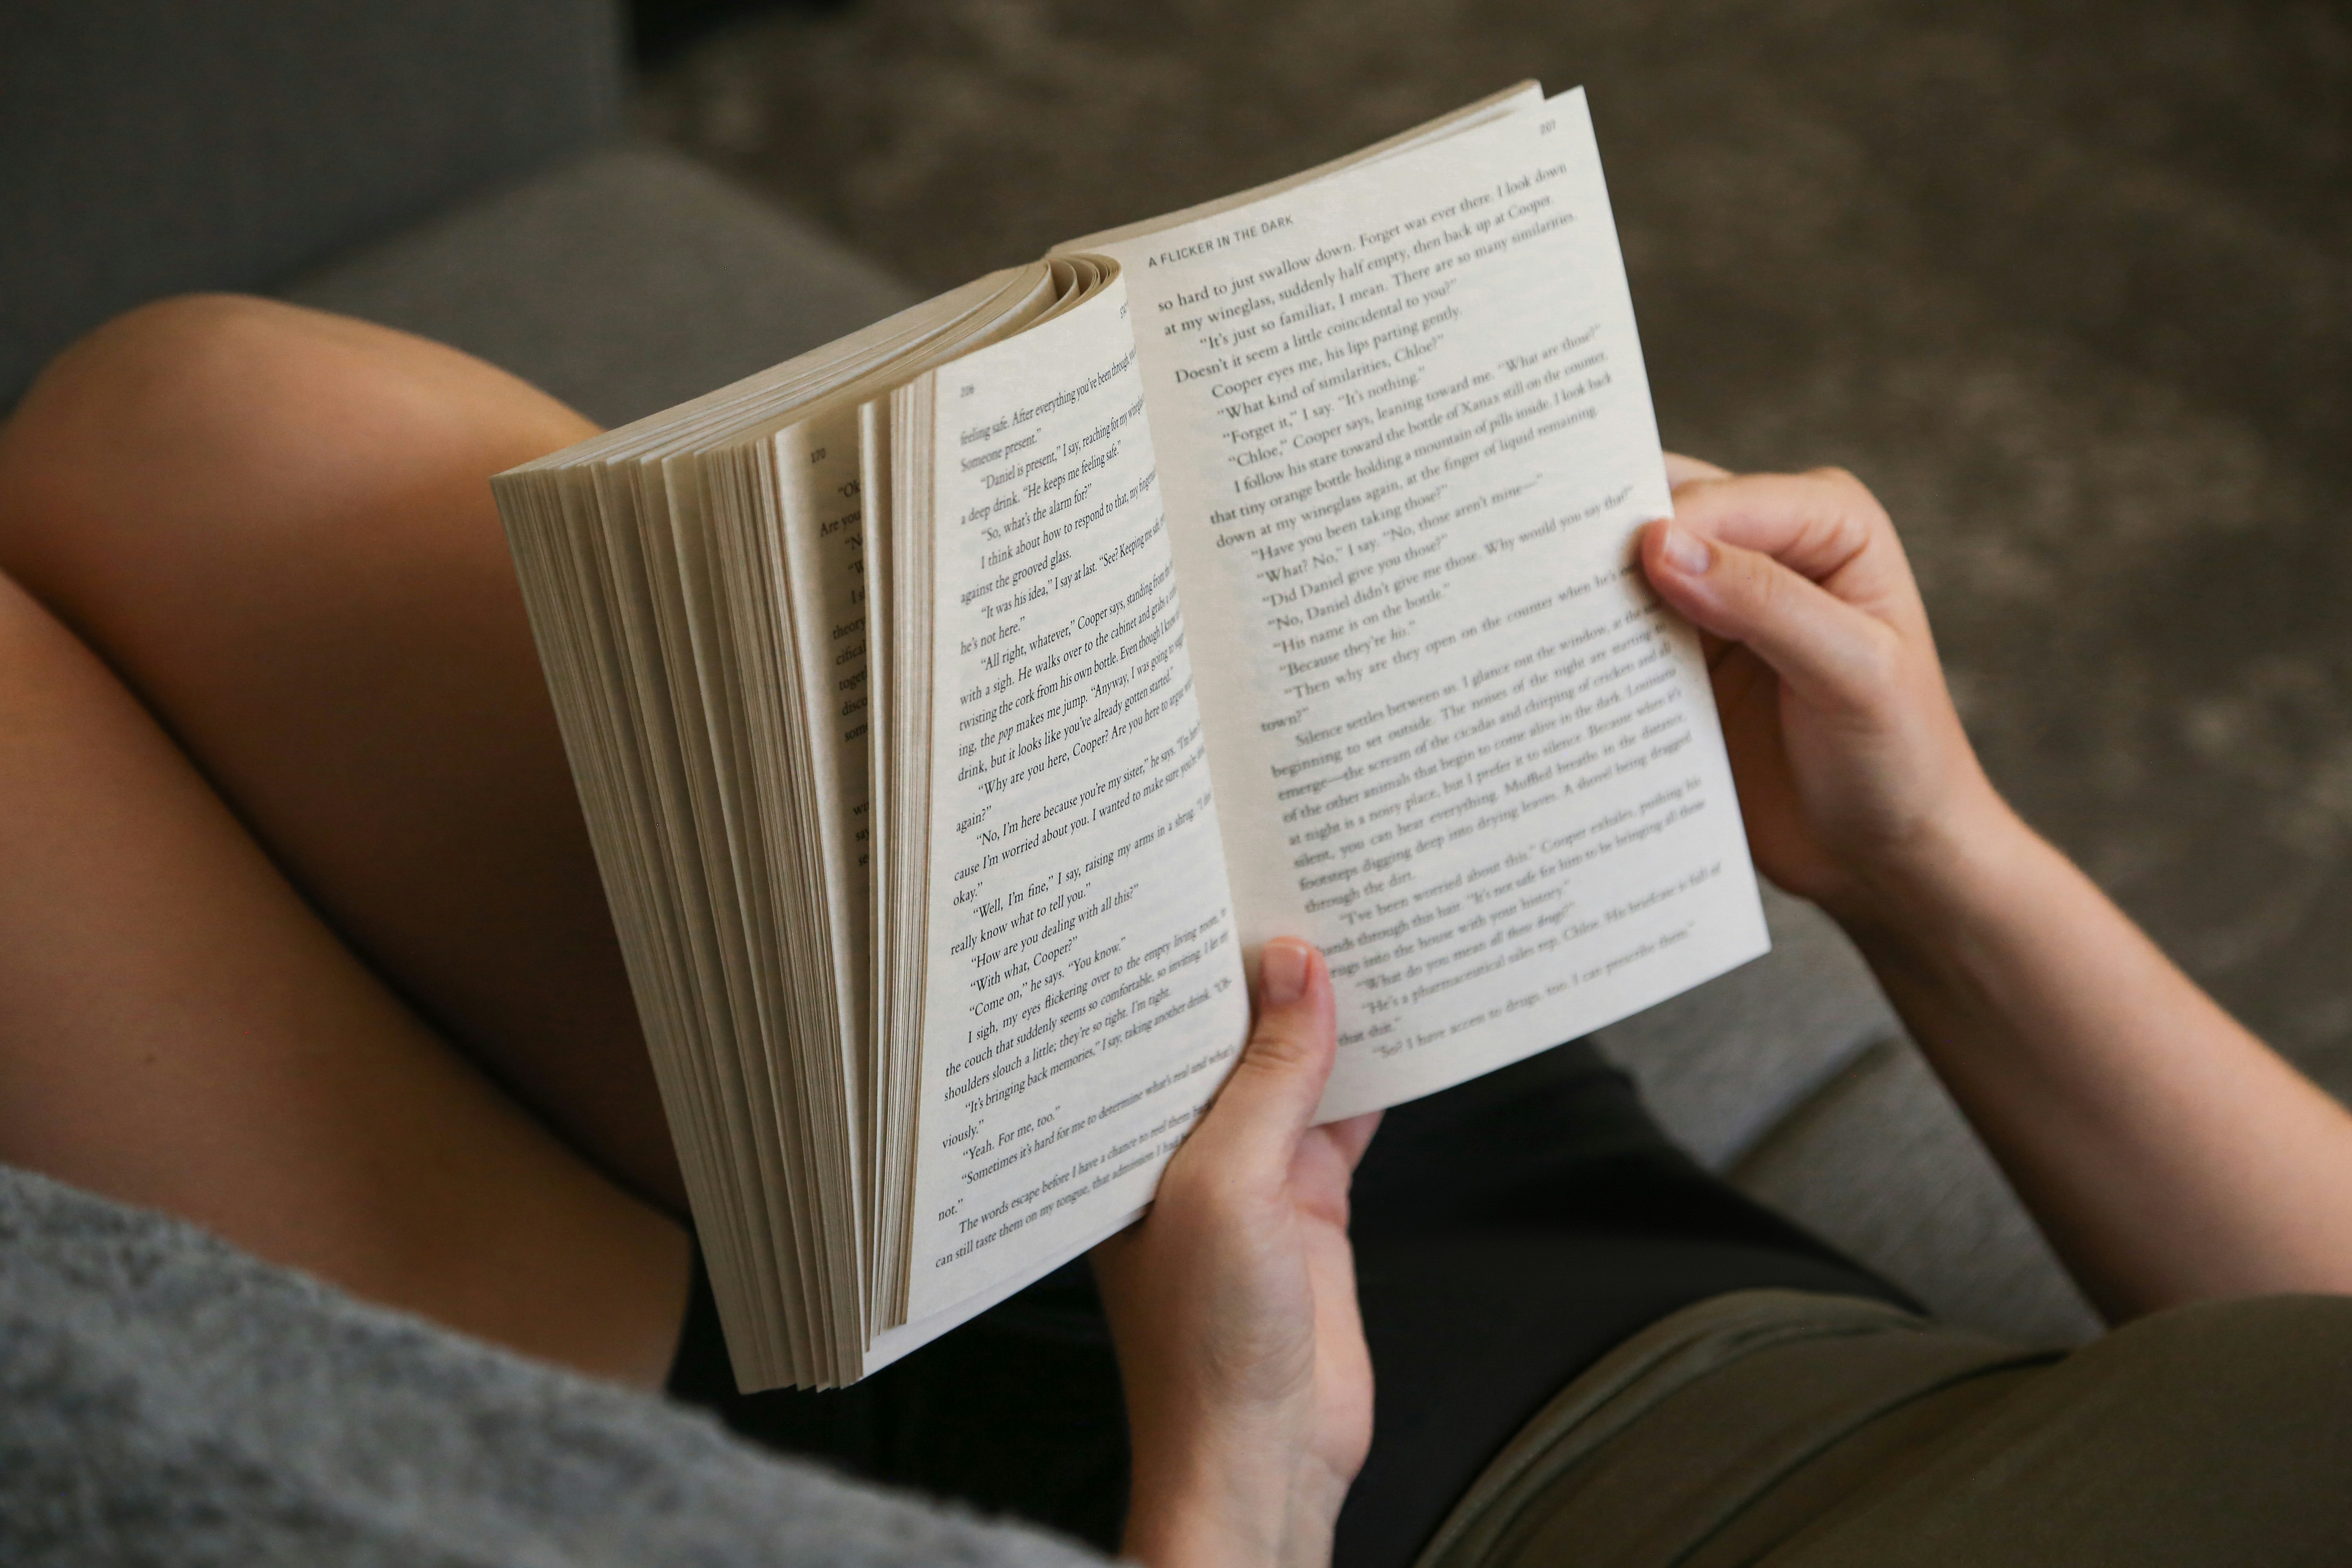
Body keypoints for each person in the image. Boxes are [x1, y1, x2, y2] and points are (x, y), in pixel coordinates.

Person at [2, 295, 2349, 1567]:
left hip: (1098, 1493)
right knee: (199, 414)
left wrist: (1238, 1475)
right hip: (1508, 1202)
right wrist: (1926, 851)